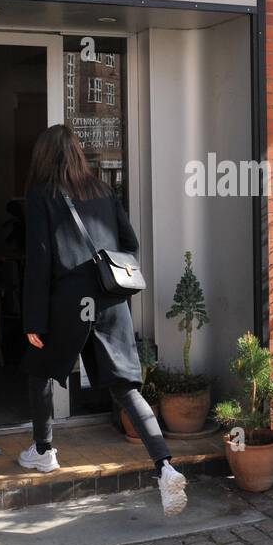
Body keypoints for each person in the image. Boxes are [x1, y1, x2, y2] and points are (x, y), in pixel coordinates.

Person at [20, 124, 187, 516]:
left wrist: (34, 319)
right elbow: (129, 243)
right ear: (78, 153)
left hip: (67, 300)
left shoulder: (41, 195)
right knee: (125, 388)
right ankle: (164, 467)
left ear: (43, 156)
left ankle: (44, 450)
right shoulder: (102, 190)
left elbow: (39, 261)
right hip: (110, 298)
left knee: (40, 371)